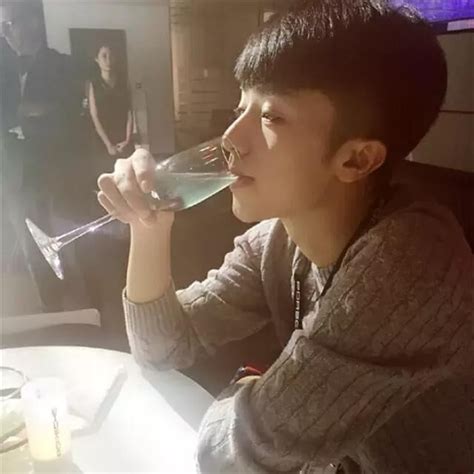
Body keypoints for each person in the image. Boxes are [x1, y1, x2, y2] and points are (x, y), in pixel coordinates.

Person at [97, 1, 472, 472]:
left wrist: (245, 385)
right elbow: (162, 347)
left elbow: (241, 452)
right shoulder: (277, 239)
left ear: (356, 159)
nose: (231, 139)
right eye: (241, 107)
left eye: (271, 116)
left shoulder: (410, 263)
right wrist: (147, 226)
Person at [0, 0, 90, 312]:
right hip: (14, 173)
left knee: (69, 240)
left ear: (32, 23)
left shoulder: (61, 65)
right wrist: (28, 114)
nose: (6, 32)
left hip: (54, 169)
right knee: (30, 245)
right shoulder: (3, 68)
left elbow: (70, 116)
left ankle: (79, 306)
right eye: (3, 26)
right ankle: (52, 309)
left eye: (11, 24)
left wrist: (25, 119)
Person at [88, 44, 134, 172]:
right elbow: (94, 115)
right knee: (106, 174)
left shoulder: (124, 82)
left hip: (122, 136)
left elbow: (130, 112)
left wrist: (127, 139)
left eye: (111, 56)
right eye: (104, 56)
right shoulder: (93, 85)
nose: (108, 60)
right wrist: (108, 144)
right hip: (103, 137)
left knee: (127, 173)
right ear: (97, 59)